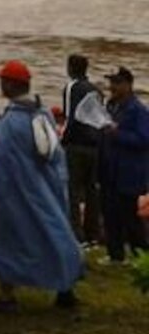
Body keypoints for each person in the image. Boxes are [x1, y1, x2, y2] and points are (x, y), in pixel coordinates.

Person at [0, 61, 83, 312]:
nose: (0, 85)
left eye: (2, 81)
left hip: (15, 196)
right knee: (55, 234)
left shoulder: (12, 124)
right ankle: (65, 289)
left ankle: (7, 297)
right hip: (46, 192)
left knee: (6, 240)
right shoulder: (42, 114)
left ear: (10, 84)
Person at [98, 67, 149, 265]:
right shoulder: (111, 106)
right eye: (111, 83)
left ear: (128, 85)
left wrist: (117, 134)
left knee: (130, 218)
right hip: (110, 171)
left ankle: (140, 258)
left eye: (117, 83)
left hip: (129, 173)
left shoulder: (138, 110)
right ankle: (115, 255)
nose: (112, 87)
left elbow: (144, 139)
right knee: (110, 214)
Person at [62, 54, 104, 246]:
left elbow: (70, 117)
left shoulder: (72, 87)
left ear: (71, 68)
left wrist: (63, 141)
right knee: (91, 192)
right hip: (95, 146)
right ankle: (93, 235)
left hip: (76, 145)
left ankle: (76, 235)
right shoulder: (96, 90)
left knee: (72, 190)